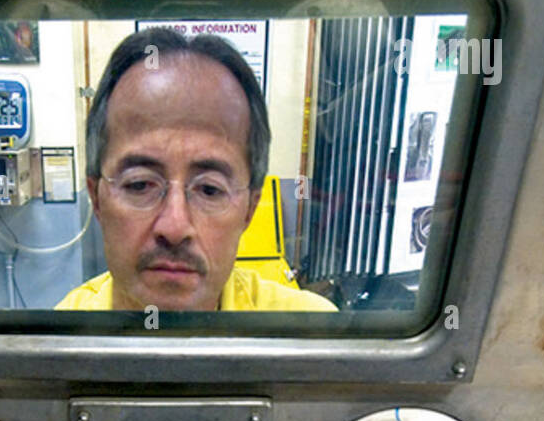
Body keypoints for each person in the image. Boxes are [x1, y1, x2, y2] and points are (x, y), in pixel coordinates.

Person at [56, 28, 336, 314]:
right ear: (97, 198)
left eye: (210, 189)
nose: (175, 228)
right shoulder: (56, 345)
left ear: (250, 209)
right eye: (139, 185)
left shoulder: (308, 337)